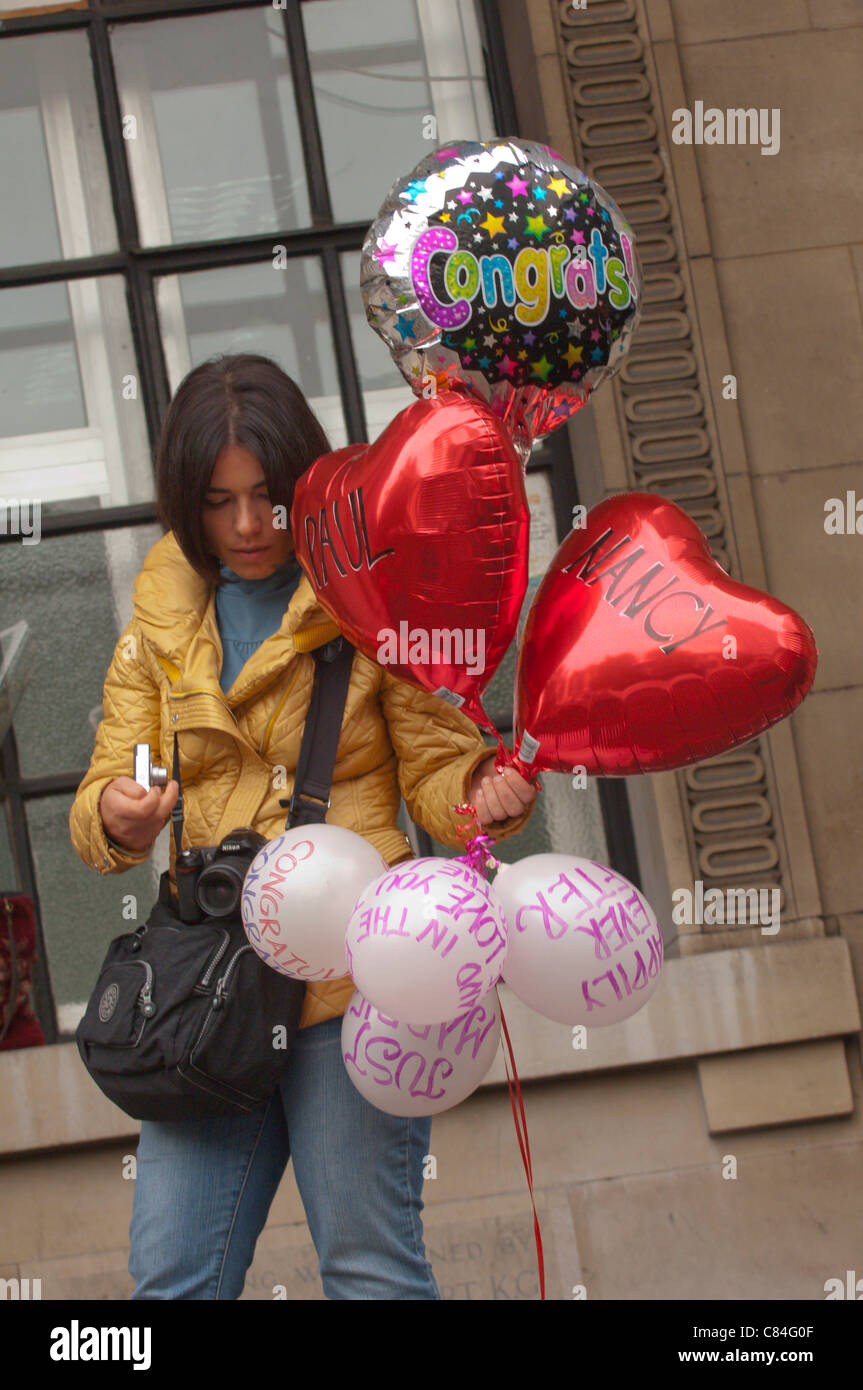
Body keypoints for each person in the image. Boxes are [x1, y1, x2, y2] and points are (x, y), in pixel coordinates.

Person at [69, 353, 537, 1301]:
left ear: (306, 486)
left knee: (370, 1270)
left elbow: (437, 766)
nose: (247, 525)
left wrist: (481, 790)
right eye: (218, 502)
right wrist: (117, 815)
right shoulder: (160, 616)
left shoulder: (372, 594)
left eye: (268, 498)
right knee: (171, 1280)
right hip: (207, 989)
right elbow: (107, 793)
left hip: (356, 979)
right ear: (186, 504)